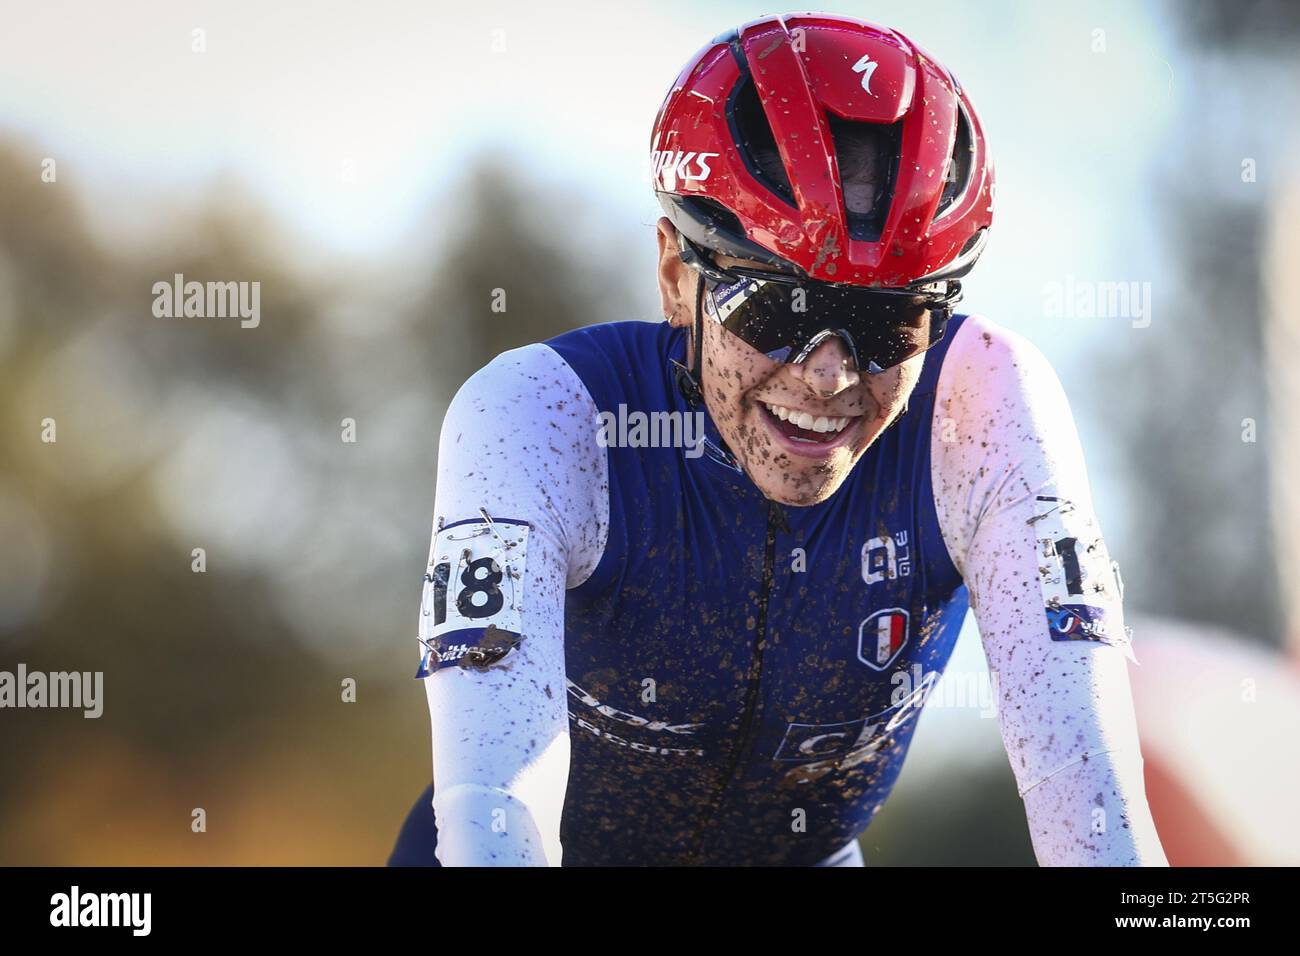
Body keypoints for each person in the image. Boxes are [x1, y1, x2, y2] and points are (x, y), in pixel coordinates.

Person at [389, 12, 1167, 866]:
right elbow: (496, 804)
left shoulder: (981, 410)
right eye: (777, 309)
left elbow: (1089, 796)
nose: (828, 376)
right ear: (676, 273)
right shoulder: (539, 415)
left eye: (887, 322)